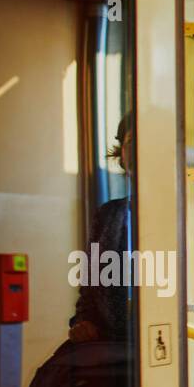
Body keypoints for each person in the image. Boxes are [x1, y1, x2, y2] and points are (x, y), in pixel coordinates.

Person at [70, 114, 134, 344]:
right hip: (113, 345)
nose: (137, 150)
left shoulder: (178, 212)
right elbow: (91, 285)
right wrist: (83, 322)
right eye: (130, 142)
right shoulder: (108, 214)